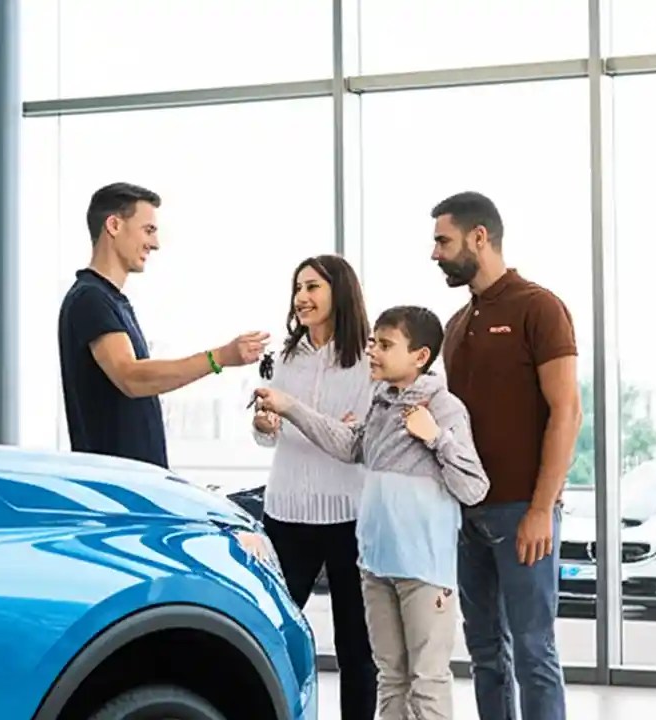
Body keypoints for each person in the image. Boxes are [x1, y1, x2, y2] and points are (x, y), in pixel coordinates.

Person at [254, 305, 490, 720]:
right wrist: (289, 407)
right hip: (377, 565)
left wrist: (436, 438)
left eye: (385, 345)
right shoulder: (380, 402)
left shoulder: (444, 407)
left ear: (420, 356)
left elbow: (474, 487)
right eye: (372, 343)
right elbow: (349, 445)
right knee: (390, 676)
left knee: (428, 680)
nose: (373, 353)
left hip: (424, 571)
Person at [430, 191, 582, 720]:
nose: (435, 254)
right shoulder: (456, 323)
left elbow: (567, 412)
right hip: (467, 512)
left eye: (442, 241)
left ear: (479, 237)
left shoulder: (538, 307)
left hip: (522, 510)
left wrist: (542, 508)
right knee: (486, 654)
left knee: (534, 651)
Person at [57, 182, 268, 468]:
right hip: (121, 489)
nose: (155, 244)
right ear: (114, 225)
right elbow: (131, 377)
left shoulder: (110, 300)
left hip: (135, 483)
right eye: (148, 230)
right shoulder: (91, 299)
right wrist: (220, 357)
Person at [251, 254, 377, 720]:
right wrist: (267, 422)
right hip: (285, 512)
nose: (302, 298)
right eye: (298, 288)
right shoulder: (286, 356)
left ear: (339, 292)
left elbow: (354, 442)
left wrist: (296, 412)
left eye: (313, 288)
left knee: (356, 649)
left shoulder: (369, 358)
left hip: (350, 516)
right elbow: (272, 436)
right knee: (274, 633)